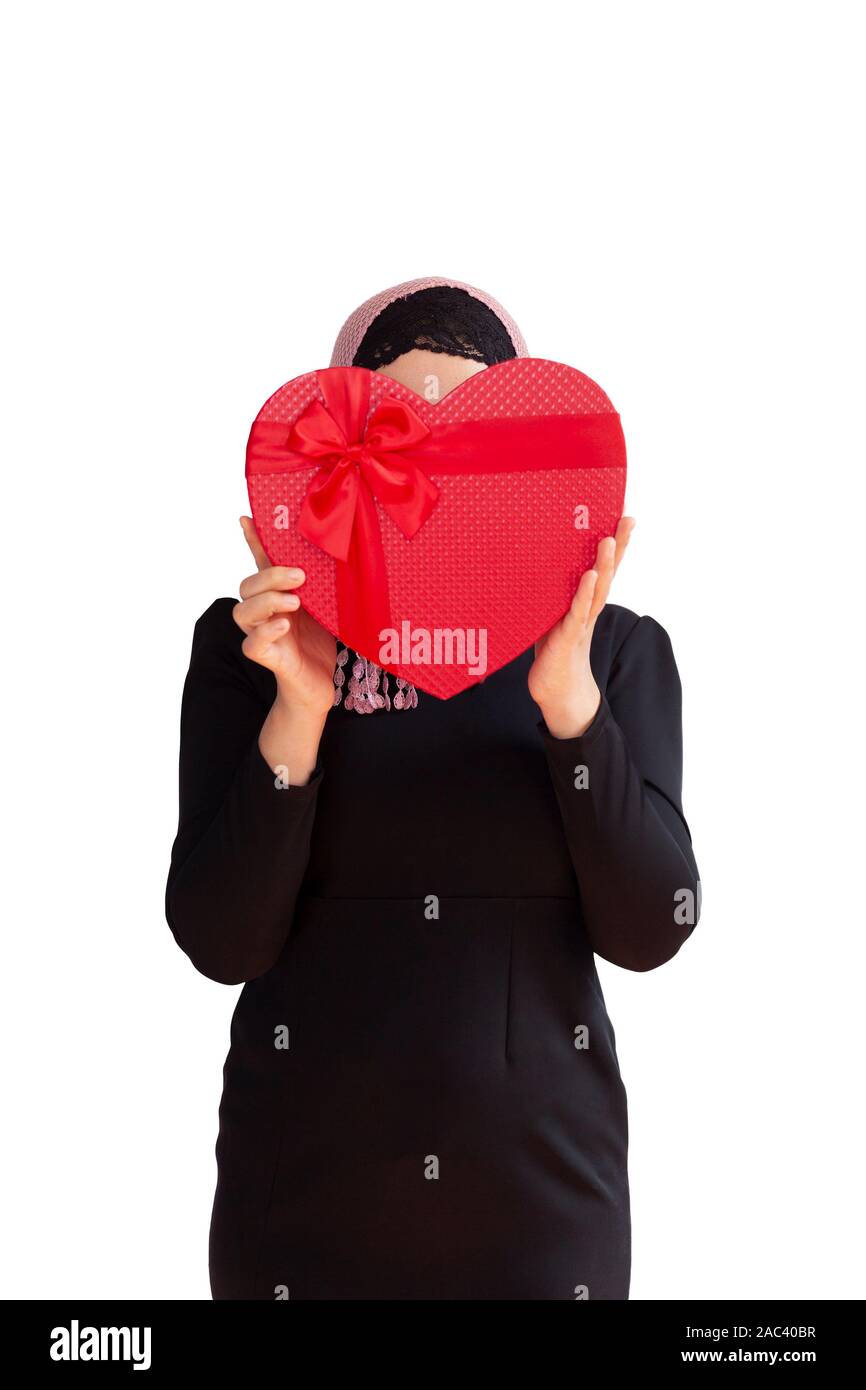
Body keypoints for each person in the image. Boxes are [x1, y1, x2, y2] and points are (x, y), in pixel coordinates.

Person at [165, 277, 701, 1300]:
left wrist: (569, 708)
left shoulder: (613, 653)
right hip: (298, 1213)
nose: (431, 488)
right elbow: (217, 939)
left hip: (542, 1221)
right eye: (396, 447)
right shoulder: (251, 651)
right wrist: (299, 710)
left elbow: (652, 929)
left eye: (467, 451)